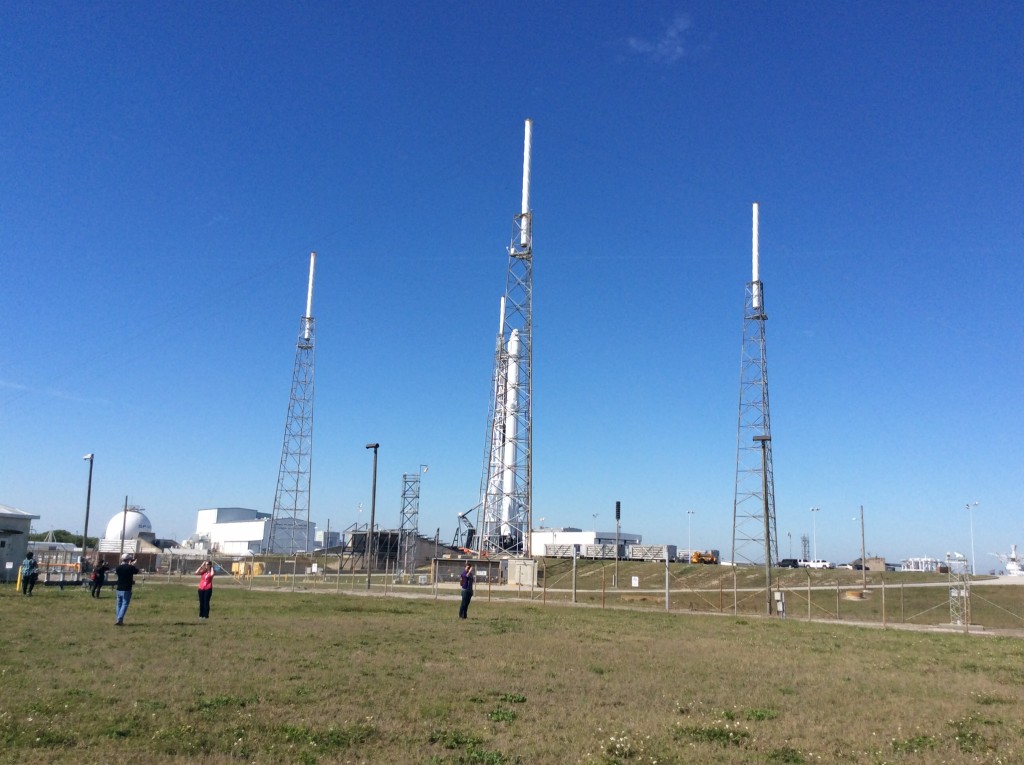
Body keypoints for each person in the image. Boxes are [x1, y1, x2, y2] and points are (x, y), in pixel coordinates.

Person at [113, 553, 141, 626]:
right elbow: (138, 571)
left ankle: (118, 619)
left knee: (119, 604)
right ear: (129, 560)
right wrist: (133, 564)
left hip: (119, 588)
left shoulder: (118, 567)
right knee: (125, 604)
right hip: (127, 588)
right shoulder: (130, 567)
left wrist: (131, 565)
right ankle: (119, 618)